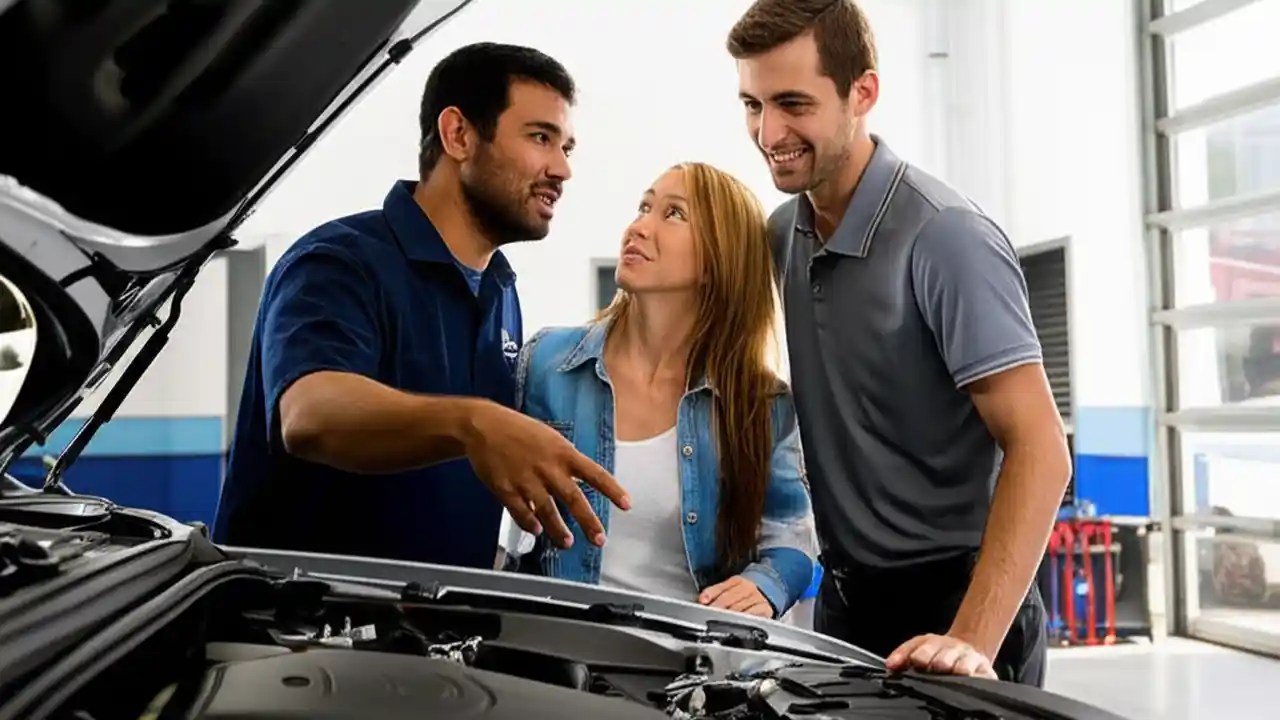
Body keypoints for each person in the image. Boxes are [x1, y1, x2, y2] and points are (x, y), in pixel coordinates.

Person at [726, 0, 1072, 684]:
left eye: (793, 103)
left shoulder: (946, 237)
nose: (769, 132)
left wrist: (970, 638)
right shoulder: (780, 233)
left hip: (961, 607)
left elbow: (1041, 448)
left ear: (864, 92)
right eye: (751, 105)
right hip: (847, 602)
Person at [213, 42, 629, 569]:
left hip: (433, 637)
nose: (562, 169)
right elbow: (309, 413)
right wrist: (473, 423)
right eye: (541, 138)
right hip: (292, 634)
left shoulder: (501, 292)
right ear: (458, 135)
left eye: (567, 148)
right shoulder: (338, 261)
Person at [501, 162, 818, 619]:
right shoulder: (546, 362)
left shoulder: (761, 404)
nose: (638, 227)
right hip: (554, 657)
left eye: (673, 215)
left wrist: (765, 587)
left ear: (719, 258)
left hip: (689, 669)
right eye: (643, 207)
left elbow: (791, 533)